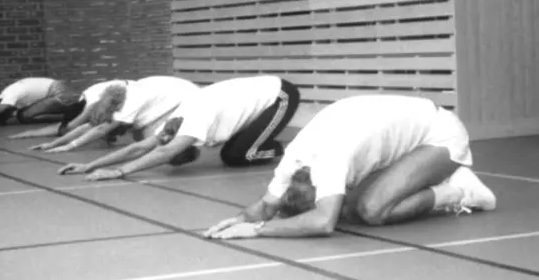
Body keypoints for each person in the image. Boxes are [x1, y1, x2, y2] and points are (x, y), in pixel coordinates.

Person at [203, 94, 496, 240]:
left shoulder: (331, 160)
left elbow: (323, 222)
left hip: (441, 133)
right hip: (404, 133)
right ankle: (431, 178)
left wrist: (255, 230)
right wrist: (238, 219)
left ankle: (459, 191)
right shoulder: (292, 162)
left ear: (320, 188)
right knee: (353, 208)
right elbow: (267, 205)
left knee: (370, 211)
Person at [58, 75, 298, 181]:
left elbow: (161, 152)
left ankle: (286, 150)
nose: (161, 142)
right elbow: (141, 148)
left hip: (279, 95)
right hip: (251, 99)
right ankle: (260, 140)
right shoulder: (173, 125)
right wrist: (89, 166)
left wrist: (118, 172)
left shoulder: (191, 124)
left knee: (238, 156)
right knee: (231, 153)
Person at [35, 76, 198, 153]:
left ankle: (186, 146)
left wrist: (69, 146)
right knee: (139, 135)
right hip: (173, 94)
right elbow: (92, 125)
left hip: (187, 99)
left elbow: (100, 129)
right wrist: (54, 144)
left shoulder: (131, 102)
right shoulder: (120, 96)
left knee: (148, 142)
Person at [8, 79, 130, 145]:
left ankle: (110, 132)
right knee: (73, 127)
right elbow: (71, 126)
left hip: (115, 93)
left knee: (100, 121)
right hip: (110, 94)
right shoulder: (93, 100)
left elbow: (74, 125)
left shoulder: (94, 103)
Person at [0, 77, 84, 131]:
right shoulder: (5, 96)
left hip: (60, 93)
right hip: (55, 91)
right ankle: (69, 113)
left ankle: (72, 115)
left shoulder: (10, 96)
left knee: (24, 116)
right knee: (24, 114)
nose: (11, 114)